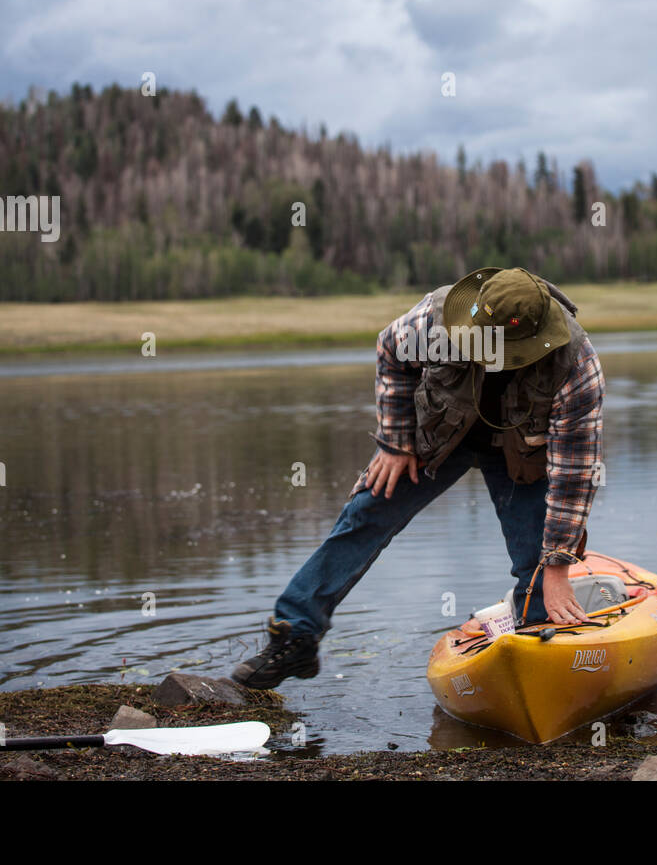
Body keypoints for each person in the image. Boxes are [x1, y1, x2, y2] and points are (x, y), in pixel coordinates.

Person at [233, 266, 605, 689]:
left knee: (536, 564)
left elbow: (574, 474)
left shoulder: (575, 362)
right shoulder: (434, 320)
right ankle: (296, 635)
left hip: (521, 450)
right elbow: (389, 352)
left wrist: (557, 561)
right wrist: (395, 441)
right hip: (439, 438)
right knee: (366, 513)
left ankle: (540, 664)